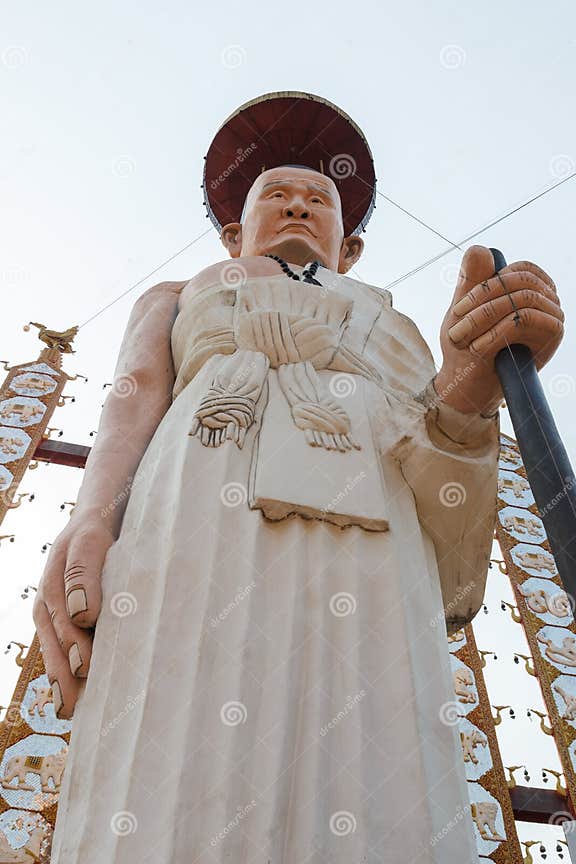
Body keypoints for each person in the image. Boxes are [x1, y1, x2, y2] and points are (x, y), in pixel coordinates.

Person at [36, 163, 563, 862]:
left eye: (319, 200)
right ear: (232, 234)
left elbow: (432, 448)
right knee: (169, 737)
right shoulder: (178, 295)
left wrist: (467, 383)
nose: (297, 207)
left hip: (372, 521)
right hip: (196, 496)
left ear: (350, 250)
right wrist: (93, 516)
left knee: (380, 742)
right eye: (275, 197)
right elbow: (131, 401)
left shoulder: (388, 319)